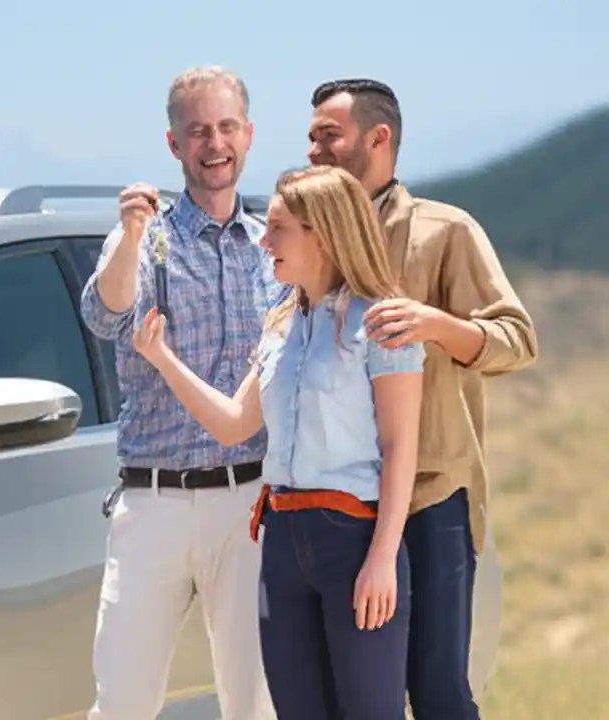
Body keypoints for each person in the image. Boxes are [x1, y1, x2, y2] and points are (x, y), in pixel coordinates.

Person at [133, 164, 425, 719]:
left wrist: (383, 557)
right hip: (282, 541)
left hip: (354, 540)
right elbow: (233, 424)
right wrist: (160, 357)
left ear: (323, 233)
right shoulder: (279, 327)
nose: (264, 242)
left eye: (278, 229)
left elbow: (400, 446)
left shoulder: (381, 323)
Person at [306, 78, 539, 719]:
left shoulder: (446, 231)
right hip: (337, 505)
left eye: (329, 136)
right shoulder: (307, 238)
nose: (315, 150)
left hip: (430, 499)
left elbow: (517, 340)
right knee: (352, 697)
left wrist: (434, 323)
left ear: (379, 139)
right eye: (311, 137)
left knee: (437, 693)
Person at [79, 66, 279, 720]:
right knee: (124, 702)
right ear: (174, 144)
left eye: (226, 127)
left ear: (247, 134)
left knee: (256, 703)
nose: (213, 143)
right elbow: (104, 314)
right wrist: (130, 235)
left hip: (249, 502)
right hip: (153, 502)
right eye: (197, 131)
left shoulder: (273, 249)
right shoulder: (144, 238)